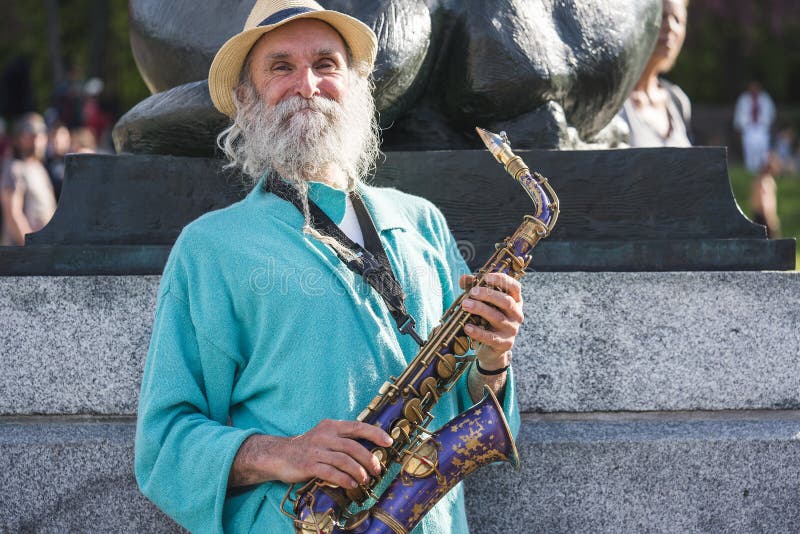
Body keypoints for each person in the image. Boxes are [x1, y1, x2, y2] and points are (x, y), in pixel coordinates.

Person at [134, 1, 523, 532]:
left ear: (357, 86)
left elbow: (468, 410)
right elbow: (164, 445)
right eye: (280, 67)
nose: (307, 84)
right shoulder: (210, 247)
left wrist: (492, 359)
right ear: (246, 103)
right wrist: (283, 453)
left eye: (325, 64)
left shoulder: (423, 222)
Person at [619, 0, 692, 147]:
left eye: (678, 20)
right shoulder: (612, 104)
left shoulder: (678, 101)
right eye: (661, 16)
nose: (670, 27)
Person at [0, 113, 57, 246]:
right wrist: (29, 248)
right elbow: (13, 215)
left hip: (42, 252)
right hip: (21, 257)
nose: (37, 139)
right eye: (31, 134)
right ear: (19, 138)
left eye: (40, 134)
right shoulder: (14, 169)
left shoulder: (40, 169)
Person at [734, 81, 776, 174]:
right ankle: (750, 169)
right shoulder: (743, 99)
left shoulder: (765, 98)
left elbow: (771, 113)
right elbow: (739, 114)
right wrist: (739, 126)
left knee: (763, 149)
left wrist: (768, 124)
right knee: (749, 148)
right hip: (748, 127)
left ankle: (762, 169)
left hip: (762, 127)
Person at [749, 152, 781, 238]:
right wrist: (770, 220)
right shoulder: (765, 181)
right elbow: (765, 202)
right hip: (764, 218)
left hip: (760, 217)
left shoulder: (759, 180)